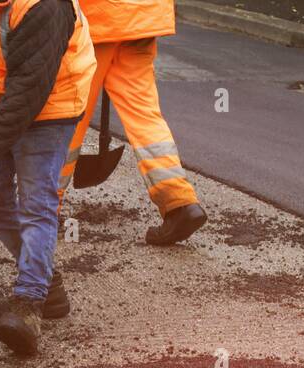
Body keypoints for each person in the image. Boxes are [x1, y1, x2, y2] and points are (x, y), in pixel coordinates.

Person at [0, 0, 96, 357]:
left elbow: (29, 90)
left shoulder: (45, 6)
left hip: (51, 98)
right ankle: (46, 283)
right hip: (0, 92)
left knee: (36, 202)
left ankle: (29, 304)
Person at [60, 0, 206, 246]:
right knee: (143, 111)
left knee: (70, 109)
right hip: (144, 16)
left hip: (98, 18)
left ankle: (44, 204)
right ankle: (179, 202)